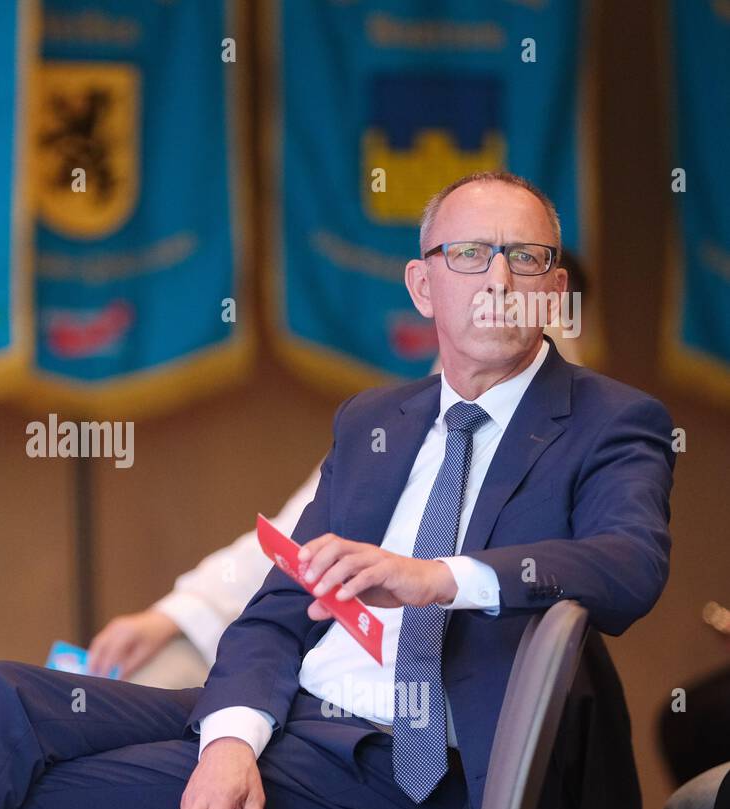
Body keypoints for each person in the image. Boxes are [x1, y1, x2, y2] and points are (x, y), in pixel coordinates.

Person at [0, 171, 675, 809]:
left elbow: (628, 565)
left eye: (524, 258)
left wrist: (442, 577)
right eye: (469, 255)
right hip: (295, 721)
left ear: (553, 286)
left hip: (414, 777)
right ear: (424, 286)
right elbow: (277, 608)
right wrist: (232, 738)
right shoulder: (378, 421)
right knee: (4, 697)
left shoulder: (608, 422)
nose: (497, 278)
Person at [88, 256, 588, 690]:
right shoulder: (399, 421)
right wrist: (175, 614)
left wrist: (432, 580)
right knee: (142, 681)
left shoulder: (580, 442)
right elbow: (294, 542)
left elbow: (606, 569)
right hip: (320, 677)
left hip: (448, 707)